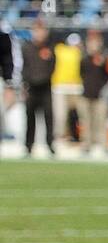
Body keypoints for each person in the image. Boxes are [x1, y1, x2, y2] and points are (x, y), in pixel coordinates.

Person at [20, 23, 57, 157]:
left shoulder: (50, 47)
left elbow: (53, 67)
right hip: (31, 88)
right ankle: (28, 146)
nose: (40, 34)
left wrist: (43, 79)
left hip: (46, 88)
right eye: (37, 31)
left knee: (48, 117)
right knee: (30, 118)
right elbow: (24, 68)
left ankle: (50, 144)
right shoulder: (27, 48)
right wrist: (26, 83)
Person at [76, 30, 108, 156]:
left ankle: (105, 146)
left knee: (101, 121)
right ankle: (86, 146)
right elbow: (80, 73)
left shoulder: (105, 57)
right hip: (86, 94)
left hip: (101, 95)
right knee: (86, 122)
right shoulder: (84, 58)